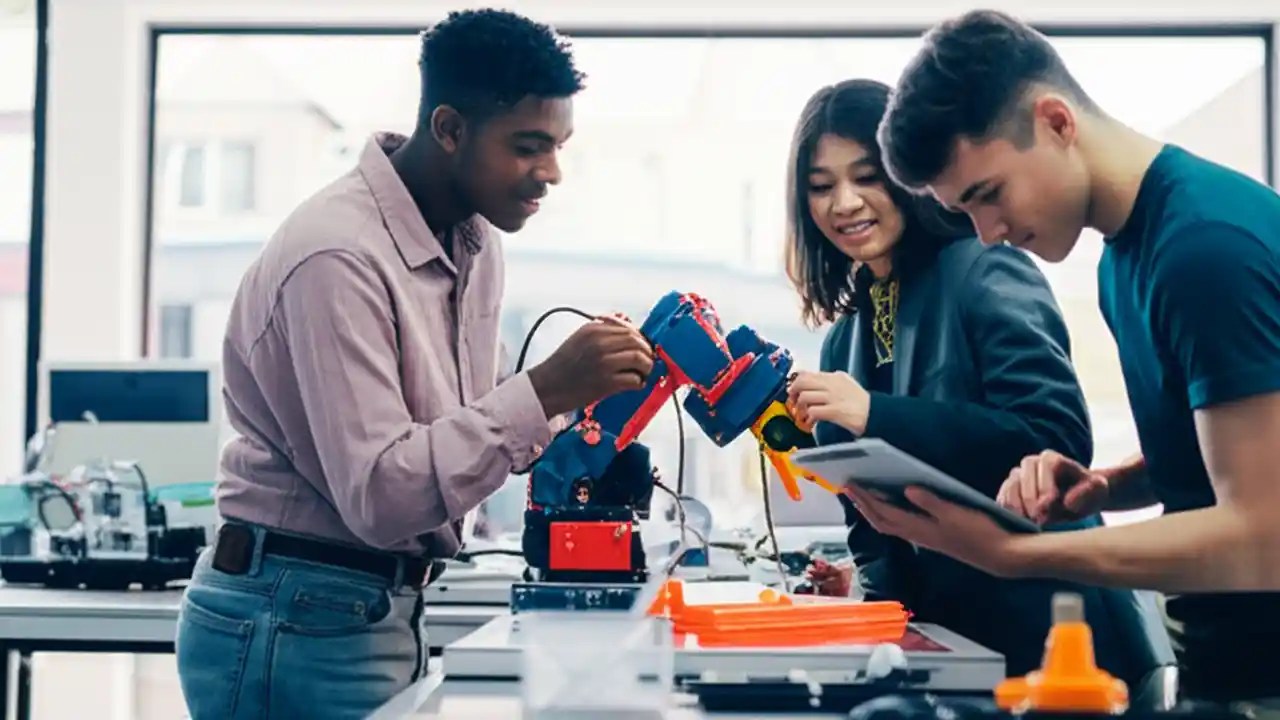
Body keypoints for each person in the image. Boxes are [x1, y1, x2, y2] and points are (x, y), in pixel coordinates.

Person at [174, 10, 655, 719]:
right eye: (528, 146)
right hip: (294, 614)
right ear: (451, 129)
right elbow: (382, 496)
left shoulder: (475, 242)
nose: (550, 173)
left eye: (558, 146)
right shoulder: (337, 257)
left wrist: (580, 395)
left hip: (376, 608)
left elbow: (468, 419)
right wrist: (547, 385)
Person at [853, 9, 1280, 709]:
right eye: (964, 212)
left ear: (1055, 122)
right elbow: (1232, 457)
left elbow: (1264, 533)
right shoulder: (1128, 254)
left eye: (988, 195)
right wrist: (1106, 489)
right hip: (1224, 668)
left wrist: (1014, 554)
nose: (987, 235)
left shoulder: (1203, 247)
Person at [782, 79, 1171, 684]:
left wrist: (874, 415)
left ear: (910, 178)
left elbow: (1055, 434)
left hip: (1049, 634)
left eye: (867, 176)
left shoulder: (983, 265)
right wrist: (865, 586)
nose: (846, 203)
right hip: (949, 652)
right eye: (822, 187)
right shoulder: (845, 336)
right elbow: (877, 514)